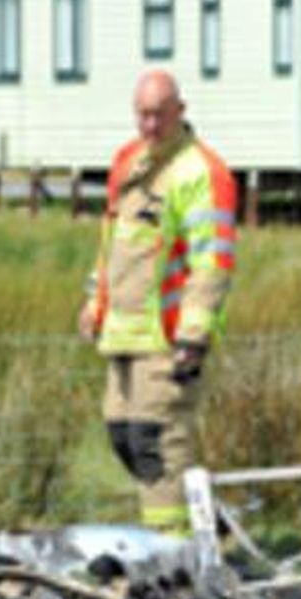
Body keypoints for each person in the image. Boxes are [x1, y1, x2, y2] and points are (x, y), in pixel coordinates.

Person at [77, 70, 238, 533]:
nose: (150, 126)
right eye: (142, 115)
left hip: (166, 338)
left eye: (159, 115)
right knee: (123, 439)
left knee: (157, 443)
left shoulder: (202, 172)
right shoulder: (129, 161)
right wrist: (94, 303)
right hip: (121, 333)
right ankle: (209, 527)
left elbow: (212, 262)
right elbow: (112, 244)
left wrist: (193, 335)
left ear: (180, 111)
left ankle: (176, 551)